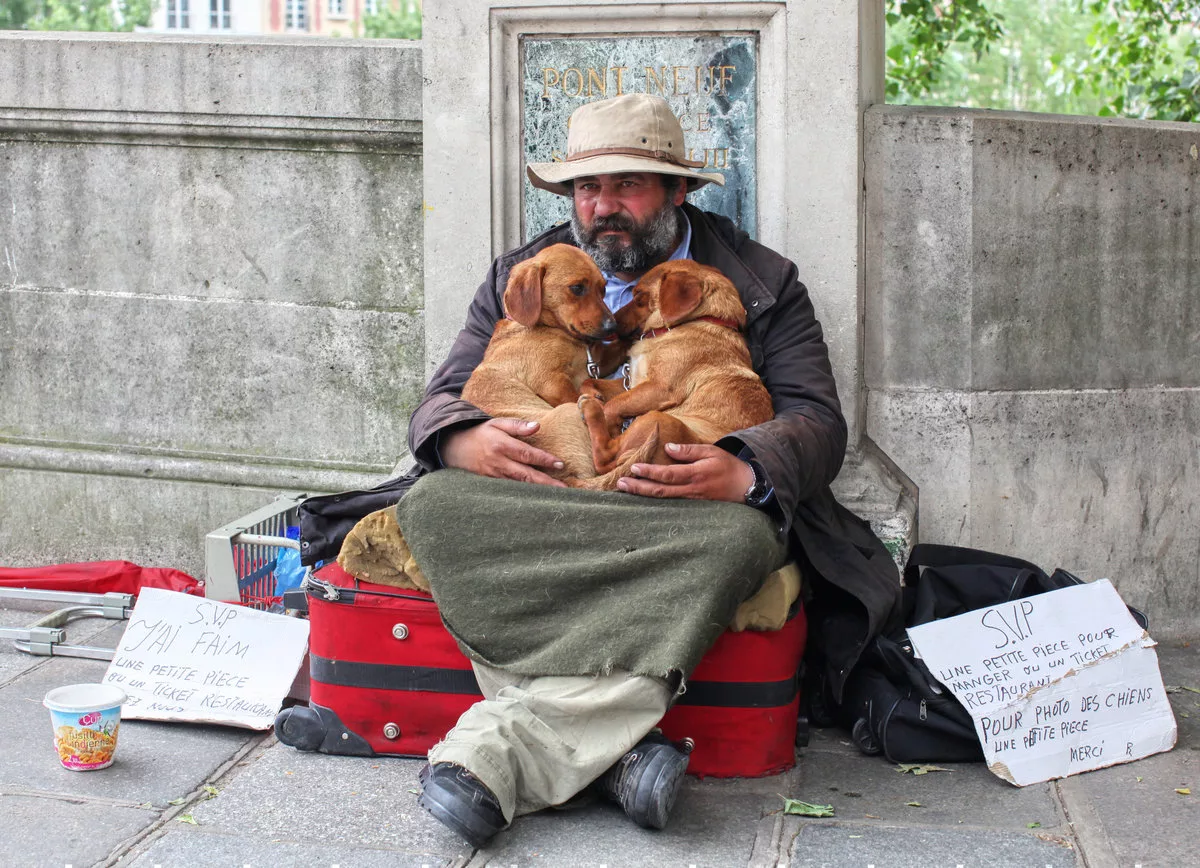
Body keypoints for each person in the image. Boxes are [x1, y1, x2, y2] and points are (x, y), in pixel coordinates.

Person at [402, 93, 903, 847]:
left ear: (676, 191)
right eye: (585, 188)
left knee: (739, 544)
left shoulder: (763, 280)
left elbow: (818, 422)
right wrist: (464, 441)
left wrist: (742, 470)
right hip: (546, 495)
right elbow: (440, 399)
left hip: (676, 507)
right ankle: (614, 757)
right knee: (433, 507)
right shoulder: (524, 272)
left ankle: (493, 755)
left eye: (627, 185)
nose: (604, 207)